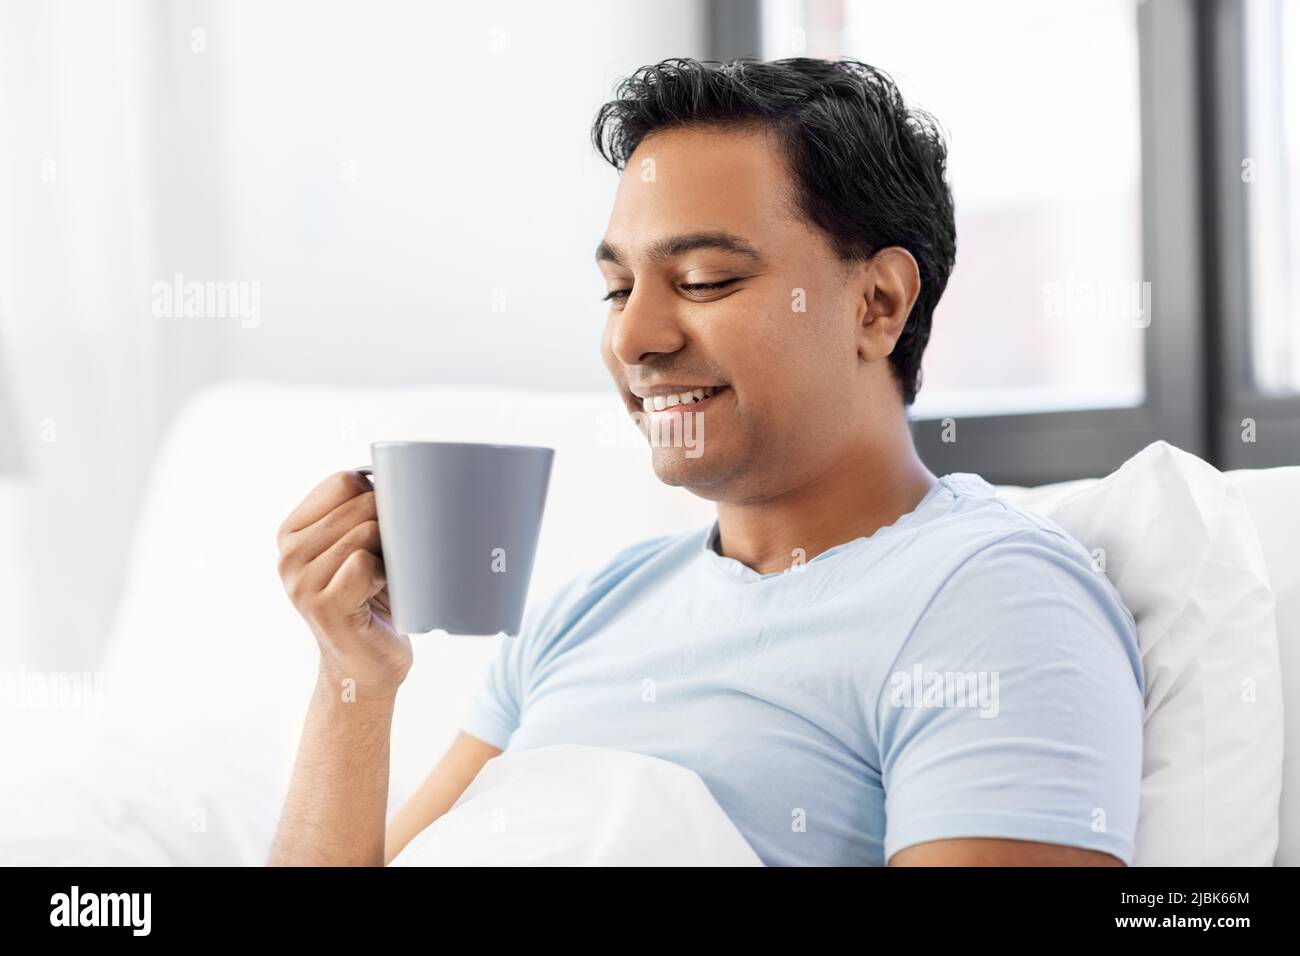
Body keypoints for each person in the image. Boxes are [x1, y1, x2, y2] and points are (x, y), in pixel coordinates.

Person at [268, 57, 1144, 867]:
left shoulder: (993, 601)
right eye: (618, 290)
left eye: (704, 281)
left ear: (877, 303)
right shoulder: (587, 612)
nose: (634, 339)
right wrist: (355, 677)